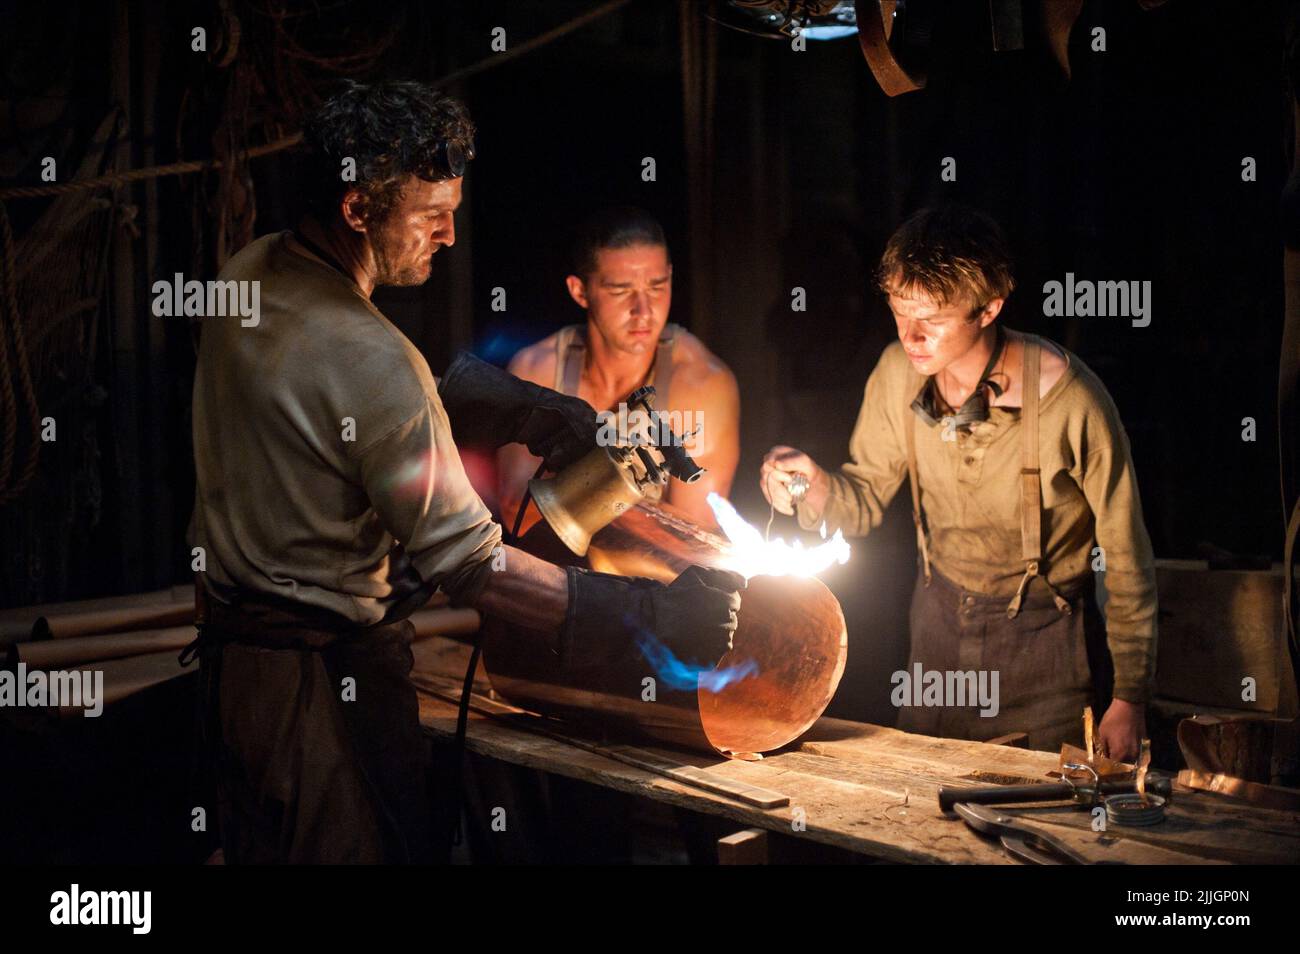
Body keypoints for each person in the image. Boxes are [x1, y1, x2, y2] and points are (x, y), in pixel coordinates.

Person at [186, 80, 743, 863]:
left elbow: (315, 408)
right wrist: (642, 618)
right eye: (430, 214)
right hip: (317, 694)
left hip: (233, 671)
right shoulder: (378, 363)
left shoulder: (247, 272)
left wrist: (485, 403)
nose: (450, 233)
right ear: (357, 210)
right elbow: (474, 566)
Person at [760, 205, 1157, 760]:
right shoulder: (897, 372)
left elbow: (1124, 556)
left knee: (1039, 832)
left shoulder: (1074, 404)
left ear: (989, 308)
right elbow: (865, 499)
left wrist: (1130, 697)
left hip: (1041, 659)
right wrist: (812, 486)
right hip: (935, 644)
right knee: (916, 822)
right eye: (900, 312)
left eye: (934, 320)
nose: (911, 336)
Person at [498, 207, 740, 530]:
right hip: (551, 577)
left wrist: (577, 495)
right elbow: (518, 513)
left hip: (653, 581)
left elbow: (694, 541)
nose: (643, 310)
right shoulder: (537, 371)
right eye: (621, 290)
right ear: (580, 291)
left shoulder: (702, 384)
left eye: (657, 286)